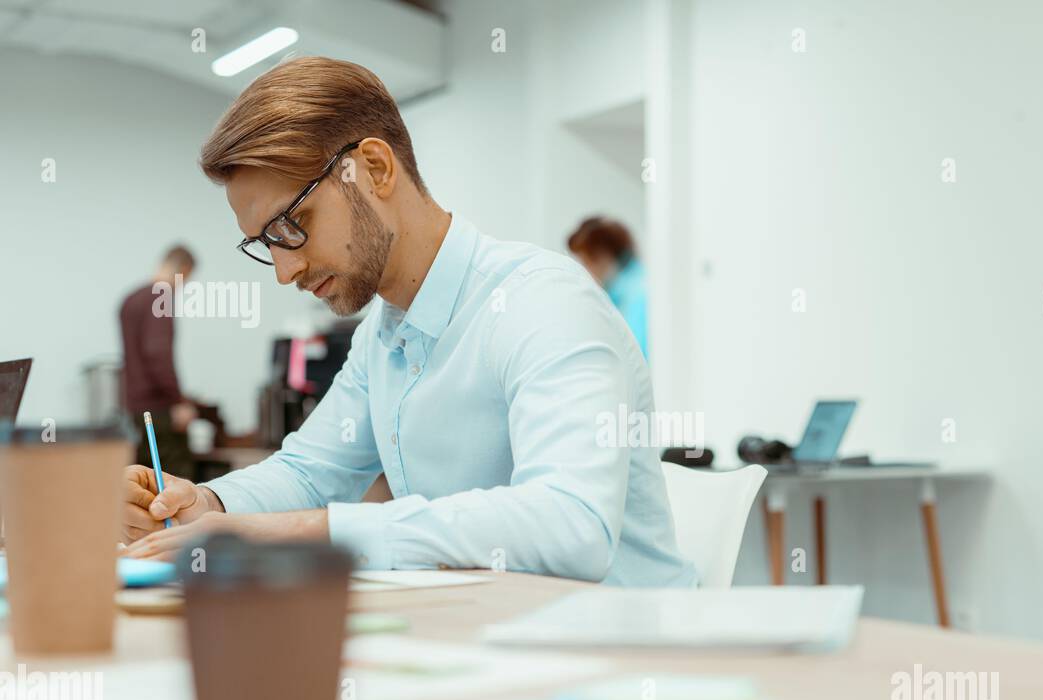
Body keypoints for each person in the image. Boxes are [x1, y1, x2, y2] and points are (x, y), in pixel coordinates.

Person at [121, 57, 695, 587]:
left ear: (373, 167)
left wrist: (299, 531)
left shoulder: (541, 301)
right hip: (500, 646)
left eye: (292, 225)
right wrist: (205, 506)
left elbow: (573, 524)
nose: (284, 269)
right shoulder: (384, 333)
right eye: (264, 244)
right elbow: (309, 472)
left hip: (630, 663)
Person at [118, 245, 199, 480]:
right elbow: (157, 354)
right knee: (177, 484)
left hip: (135, 409)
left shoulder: (130, 299)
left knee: (145, 483)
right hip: (160, 411)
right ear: (183, 270)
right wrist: (179, 401)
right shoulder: (160, 296)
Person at [567, 217, 648, 358]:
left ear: (603, 255)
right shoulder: (618, 293)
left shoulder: (639, 295)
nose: (585, 270)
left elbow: (635, 357)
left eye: (587, 261)